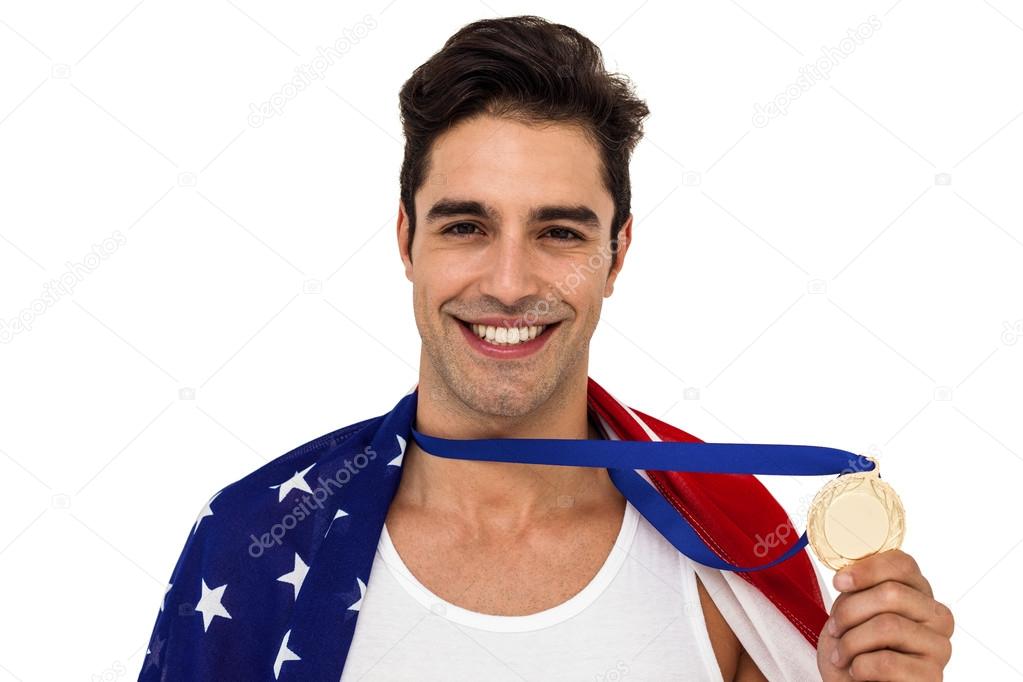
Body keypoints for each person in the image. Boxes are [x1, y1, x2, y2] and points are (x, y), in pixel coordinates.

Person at [139, 15, 953, 681]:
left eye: (558, 231)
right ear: (405, 241)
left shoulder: (732, 551)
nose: (505, 281)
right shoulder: (254, 539)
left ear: (616, 256)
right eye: (466, 226)